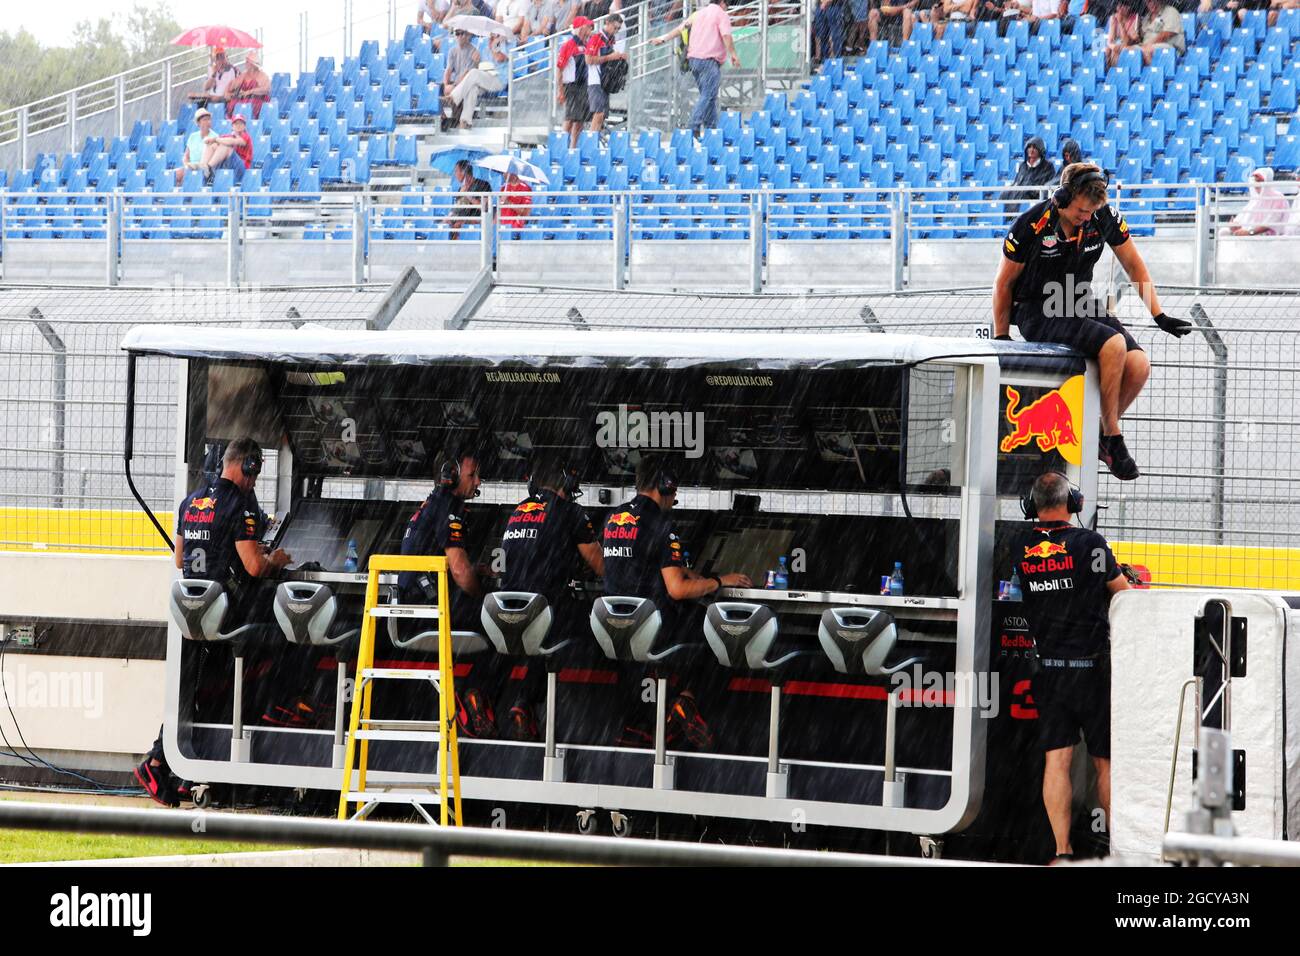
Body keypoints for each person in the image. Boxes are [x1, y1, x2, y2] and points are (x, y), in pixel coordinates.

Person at [993, 162, 1193, 481]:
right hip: (1036, 308)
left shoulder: (1102, 216)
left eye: (1091, 212)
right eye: (1081, 211)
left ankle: (1097, 435)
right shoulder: (1031, 223)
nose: (1086, 218)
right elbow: (1003, 284)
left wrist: (1159, 314)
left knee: (1139, 364)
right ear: (1062, 197)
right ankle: (1113, 439)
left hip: (1078, 299)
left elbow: (1133, 265)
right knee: (1113, 345)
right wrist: (1001, 340)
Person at [135, 438, 292, 807]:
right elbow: (254, 566)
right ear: (247, 466)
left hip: (194, 615)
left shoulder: (190, 502)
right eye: (255, 472)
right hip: (227, 616)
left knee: (198, 691)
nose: (255, 481)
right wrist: (278, 559)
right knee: (258, 664)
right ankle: (159, 762)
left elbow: (179, 560)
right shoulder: (239, 505)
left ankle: (172, 766)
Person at [1012, 472, 1130, 861]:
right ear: (1074, 502)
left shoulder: (1021, 544)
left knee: (1057, 759)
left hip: (1048, 671)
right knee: (1106, 762)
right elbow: (1125, 596)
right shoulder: (1092, 544)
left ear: (1032, 505)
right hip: (1092, 670)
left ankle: (1061, 852)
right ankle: (1118, 851)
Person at [600, 455, 752, 749]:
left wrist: (701, 576)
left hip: (616, 628)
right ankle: (685, 701)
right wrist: (720, 582)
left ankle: (649, 725)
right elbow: (677, 589)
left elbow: (657, 566)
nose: (677, 495)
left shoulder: (613, 518)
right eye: (675, 487)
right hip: (654, 626)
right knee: (720, 633)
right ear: (665, 484)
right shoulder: (661, 523)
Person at [494, 456, 605, 740]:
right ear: (566, 483)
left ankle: (519, 701)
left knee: (540, 636)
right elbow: (602, 566)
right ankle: (631, 718)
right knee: (602, 625)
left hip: (506, 614)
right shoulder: (570, 511)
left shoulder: (517, 510)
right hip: (546, 612)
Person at [398, 448, 494, 735]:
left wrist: (473, 570)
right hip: (428, 614)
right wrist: (482, 594)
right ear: (450, 476)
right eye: (472, 474)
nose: (478, 481)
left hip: (412, 610)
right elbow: (461, 574)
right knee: (501, 620)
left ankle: (466, 694)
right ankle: (474, 696)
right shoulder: (448, 507)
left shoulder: (432, 504)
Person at [651, 0, 741, 140]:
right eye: (727, 5)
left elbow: (680, 28)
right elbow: (726, 36)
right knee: (708, 95)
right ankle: (693, 126)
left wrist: (663, 39)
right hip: (709, 60)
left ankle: (711, 129)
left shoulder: (698, 14)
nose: (726, 7)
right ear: (722, 3)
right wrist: (733, 54)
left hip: (694, 61)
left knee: (709, 96)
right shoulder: (721, 14)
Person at [443, 32, 511, 129]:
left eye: (494, 36)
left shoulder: (504, 46)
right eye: (491, 36)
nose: (491, 38)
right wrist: (477, 59)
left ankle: (453, 98)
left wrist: (493, 46)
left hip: (499, 80)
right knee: (472, 88)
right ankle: (465, 121)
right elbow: (481, 66)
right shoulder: (486, 49)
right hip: (487, 78)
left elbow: (499, 58)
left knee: (474, 73)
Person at [557, 17, 596, 147]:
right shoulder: (568, 45)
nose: (590, 29)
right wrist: (560, 91)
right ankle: (562, 146)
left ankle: (573, 147)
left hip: (584, 86)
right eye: (588, 26)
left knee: (579, 120)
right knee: (569, 118)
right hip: (571, 86)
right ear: (581, 28)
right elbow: (559, 69)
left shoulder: (587, 45)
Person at [585, 13, 627, 136]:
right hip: (595, 80)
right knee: (598, 114)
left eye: (618, 29)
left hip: (605, 81)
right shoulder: (596, 38)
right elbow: (588, 60)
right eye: (615, 27)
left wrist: (619, 57)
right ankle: (591, 141)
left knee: (602, 115)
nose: (616, 31)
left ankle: (595, 140)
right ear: (607, 23)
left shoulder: (611, 40)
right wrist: (610, 57)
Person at [1227, 166, 1290, 236]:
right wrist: (1235, 225)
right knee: (1224, 232)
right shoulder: (1255, 200)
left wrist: (1249, 232)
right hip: (1252, 234)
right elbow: (1241, 220)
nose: (1256, 184)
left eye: (1259, 181)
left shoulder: (1278, 198)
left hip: (1269, 237)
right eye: (1255, 181)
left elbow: (1270, 224)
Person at [1000, 135, 1057, 212]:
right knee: (1004, 194)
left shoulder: (1048, 167)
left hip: (1034, 200)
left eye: (1034, 148)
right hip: (1018, 197)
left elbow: (1048, 188)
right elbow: (1016, 183)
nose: (1031, 150)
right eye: (1029, 147)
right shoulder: (1023, 166)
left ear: (1040, 150)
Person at [198, 114, 253, 185]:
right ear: (232, 127)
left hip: (242, 169)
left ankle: (209, 168)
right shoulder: (229, 136)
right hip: (230, 166)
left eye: (241, 123)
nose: (238, 125)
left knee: (226, 147)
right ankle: (204, 170)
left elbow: (234, 141)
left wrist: (215, 139)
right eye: (236, 123)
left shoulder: (245, 136)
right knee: (212, 145)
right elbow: (217, 141)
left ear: (244, 126)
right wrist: (212, 140)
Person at [446, 158, 492, 237]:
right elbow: (458, 208)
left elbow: (485, 207)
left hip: (478, 218)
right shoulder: (461, 188)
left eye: (456, 171)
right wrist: (450, 216)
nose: (455, 174)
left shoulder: (483, 185)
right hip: (462, 218)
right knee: (445, 222)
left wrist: (468, 195)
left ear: (464, 172)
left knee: (458, 224)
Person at [224, 51, 271, 120]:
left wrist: (249, 92)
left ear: (252, 64)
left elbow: (266, 90)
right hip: (245, 99)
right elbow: (232, 84)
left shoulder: (263, 75)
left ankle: (246, 121)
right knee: (233, 103)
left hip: (258, 100)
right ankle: (235, 121)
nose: (245, 63)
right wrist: (227, 92)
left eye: (247, 62)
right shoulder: (244, 75)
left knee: (249, 104)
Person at [173, 108, 214, 186]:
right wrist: (186, 164)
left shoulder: (214, 137)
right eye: (204, 120)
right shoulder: (193, 136)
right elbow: (186, 155)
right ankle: (177, 196)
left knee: (187, 176)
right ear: (198, 123)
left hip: (205, 169)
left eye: (209, 119)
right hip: (191, 166)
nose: (207, 122)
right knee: (174, 175)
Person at [1105, 0, 1142, 67]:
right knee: (1107, 50)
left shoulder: (1135, 18)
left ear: (1129, 7)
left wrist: (1120, 23)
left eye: (1123, 6)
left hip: (1131, 46)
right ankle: (1109, 74)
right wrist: (1113, 47)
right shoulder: (1113, 18)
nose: (1120, 8)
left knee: (1119, 51)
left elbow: (1126, 42)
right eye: (1119, 5)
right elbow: (1109, 41)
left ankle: (1119, 74)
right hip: (1118, 45)